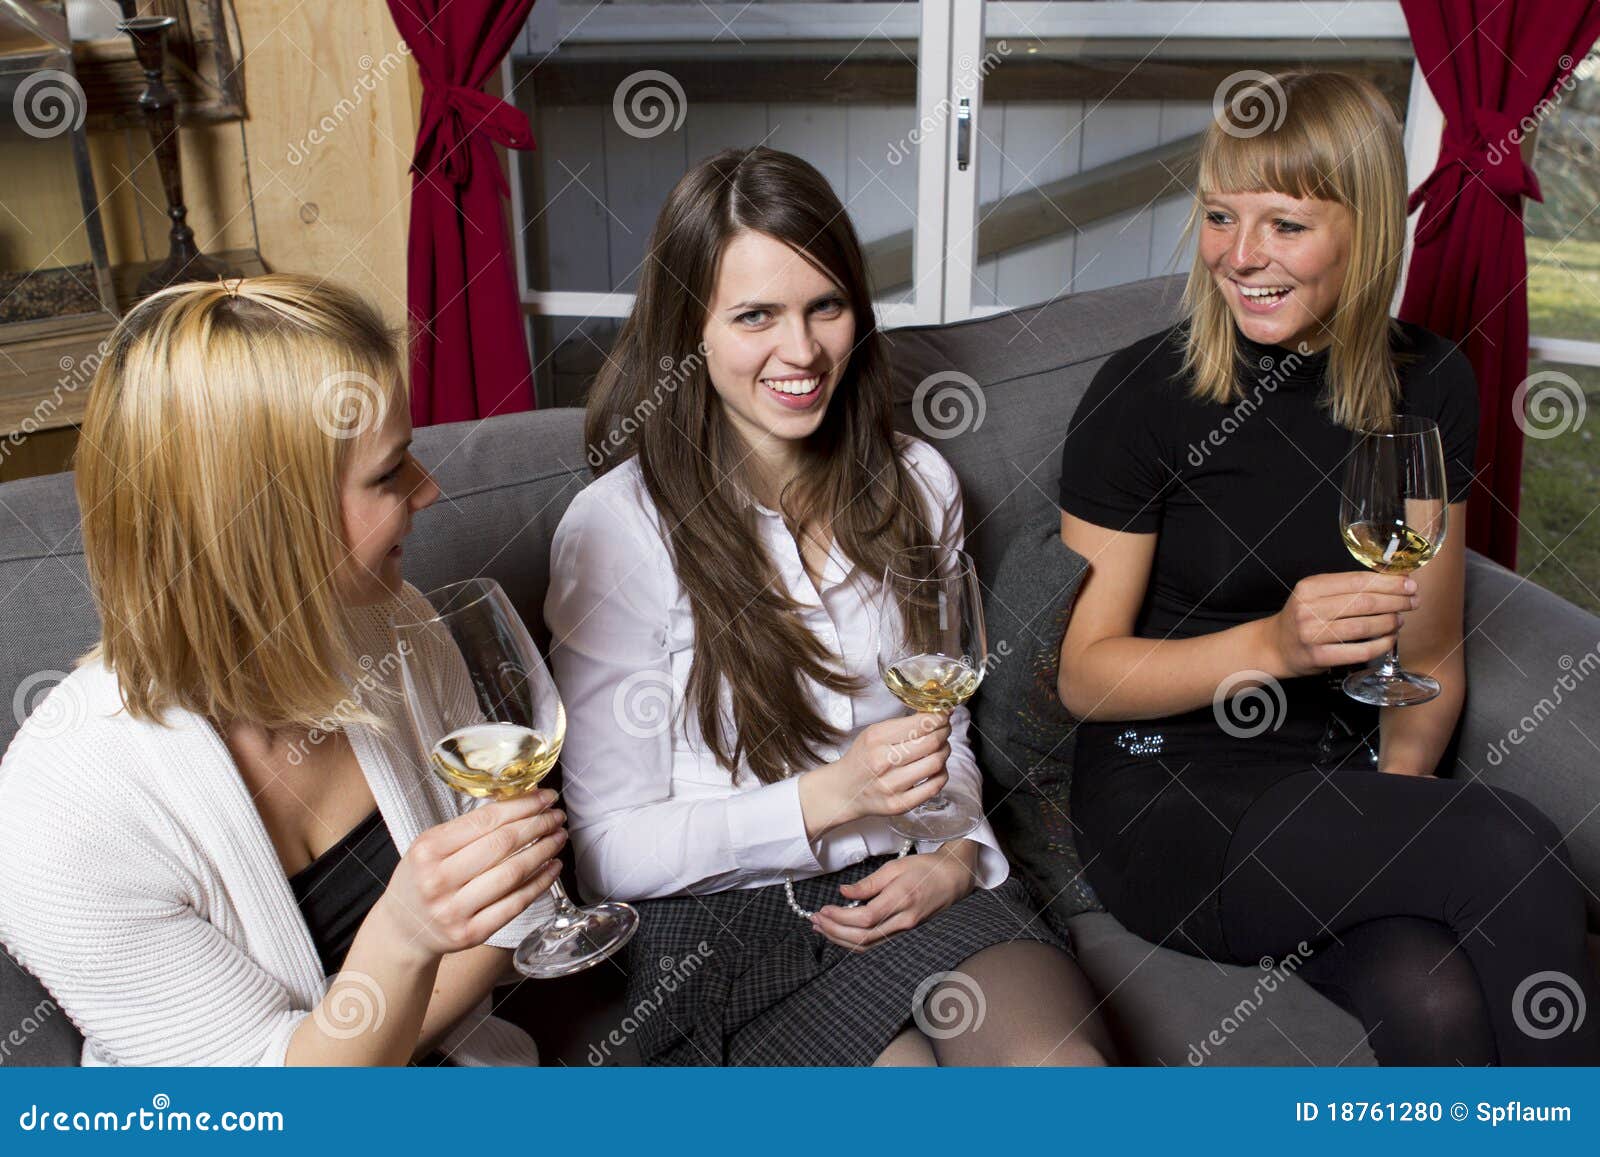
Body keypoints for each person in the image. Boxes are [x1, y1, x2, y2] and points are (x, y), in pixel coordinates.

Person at [1057, 71, 1599, 1065]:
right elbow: (1084, 673)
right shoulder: (1141, 393)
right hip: (1165, 791)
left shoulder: (1427, 381)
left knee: (1430, 989)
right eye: (1221, 215)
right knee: (1507, 848)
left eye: (1285, 224)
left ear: (1366, 229)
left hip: (1328, 791)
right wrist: (1271, 643)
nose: (1239, 254)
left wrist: (1388, 818)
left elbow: (1428, 652)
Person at [548, 146, 1115, 1067]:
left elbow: (943, 727)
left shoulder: (917, 483)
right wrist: (826, 798)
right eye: (755, 316)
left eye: (826, 306)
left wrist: (958, 852)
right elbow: (606, 852)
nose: (802, 350)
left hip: (915, 878)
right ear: (688, 328)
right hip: (725, 922)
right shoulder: (615, 530)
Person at [0, 276, 568, 1066]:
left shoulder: (397, 627)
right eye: (389, 471)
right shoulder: (58, 815)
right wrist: (403, 938)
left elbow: (515, 912)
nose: (429, 490)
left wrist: (382, 1024)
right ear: (263, 522)